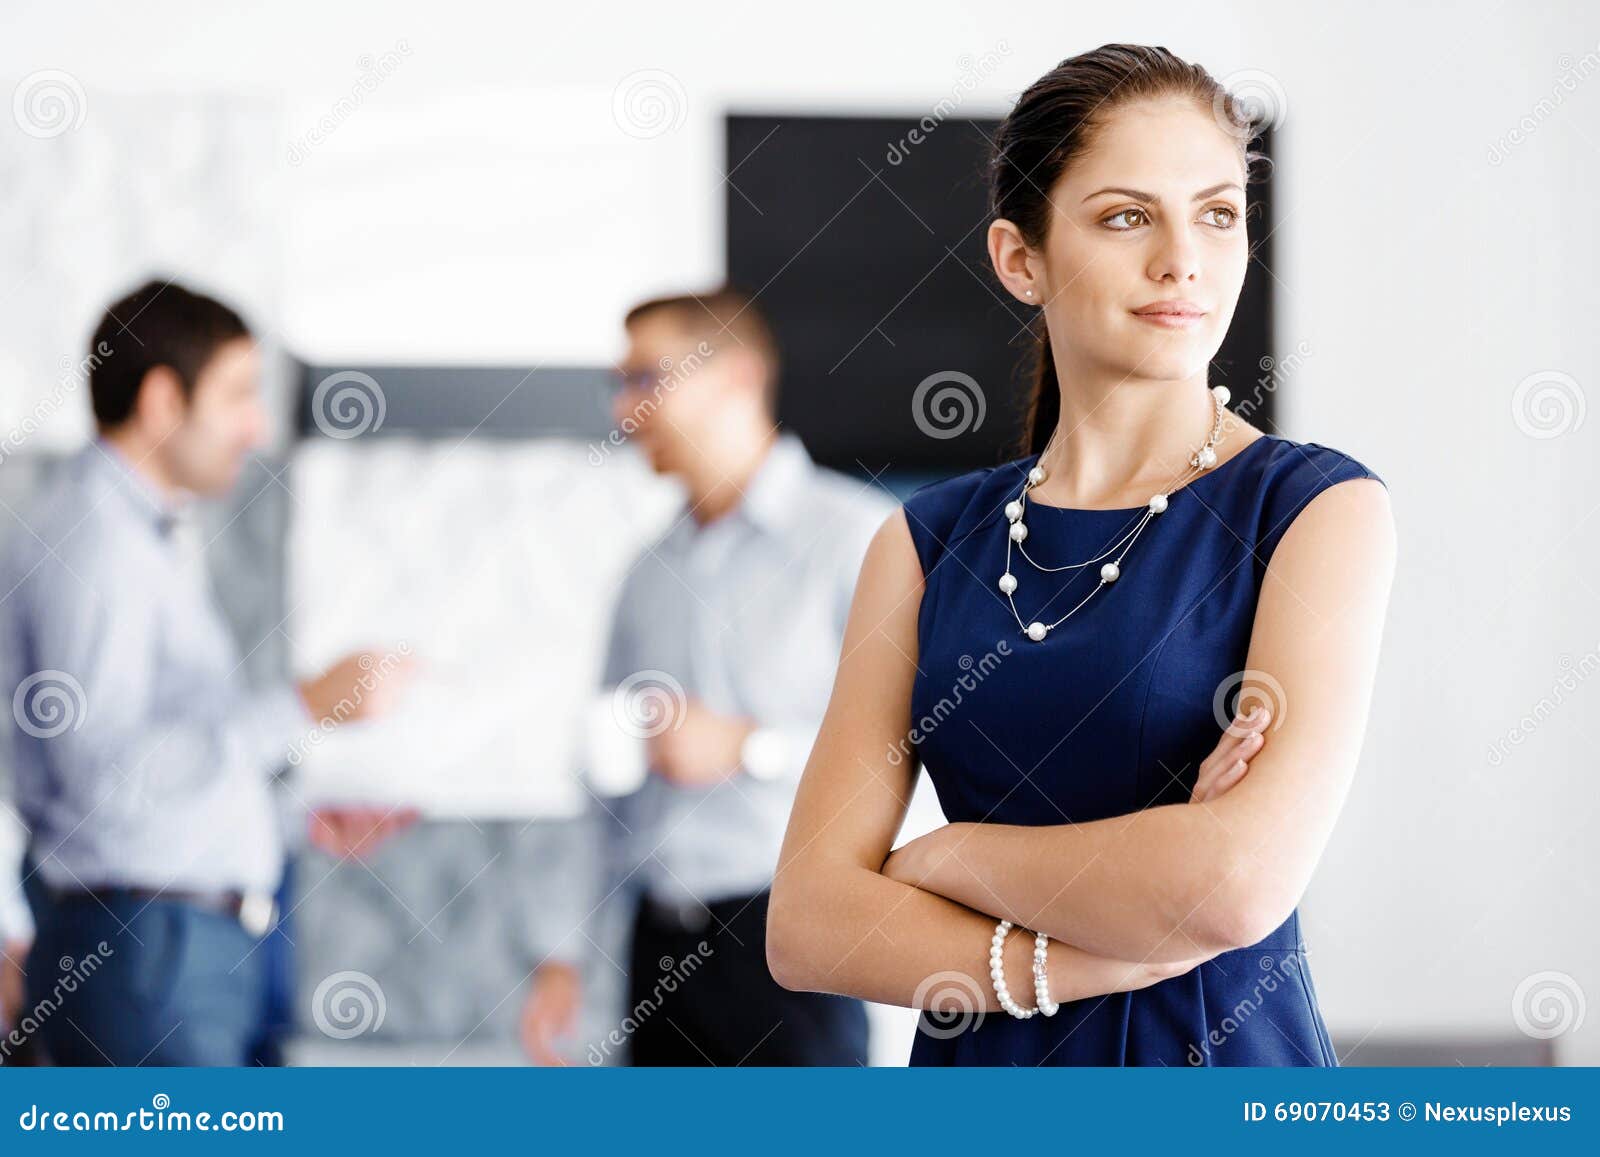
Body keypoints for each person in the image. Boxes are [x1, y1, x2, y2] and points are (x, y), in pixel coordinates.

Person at [767, 45, 1396, 1066]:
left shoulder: (1315, 507)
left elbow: (1233, 884)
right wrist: (1112, 947)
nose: (1183, 258)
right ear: (1021, 259)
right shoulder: (926, 543)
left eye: (1217, 213)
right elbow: (807, 923)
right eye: (1125, 215)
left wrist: (944, 853)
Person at [0, 280, 414, 1066]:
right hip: (146, 960)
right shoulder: (96, 544)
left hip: (178, 952)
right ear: (162, 400)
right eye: (238, 395)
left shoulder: (142, 535)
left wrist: (287, 816)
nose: (256, 427)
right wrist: (307, 704)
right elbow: (103, 773)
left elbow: (157, 769)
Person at [520, 287, 895, 1066]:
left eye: (647, 378)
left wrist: (747, 746)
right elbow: (603, 781)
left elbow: (917, 750)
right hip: (657, 954)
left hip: (798, 948)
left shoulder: (859, 541)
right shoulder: (646, 574)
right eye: (618, 384)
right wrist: (563, 953)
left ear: (737, 378)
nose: (626, 411)